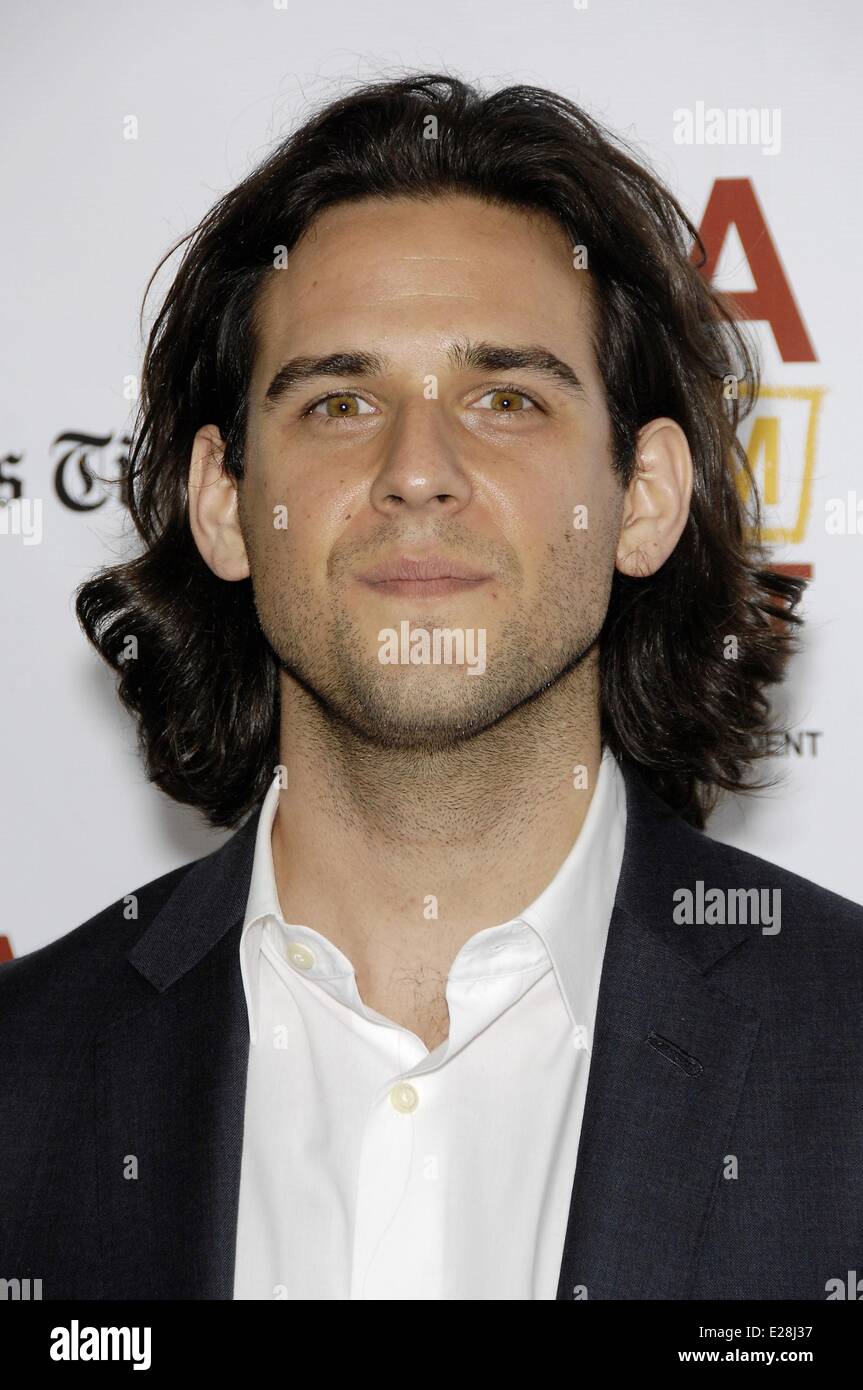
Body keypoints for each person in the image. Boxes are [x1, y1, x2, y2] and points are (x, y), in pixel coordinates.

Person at [2, 73, 861, 1302]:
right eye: (338, 401)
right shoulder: (26, 1074)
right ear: (221, 503)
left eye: (505, 399)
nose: (416, 470)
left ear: (645, 497)